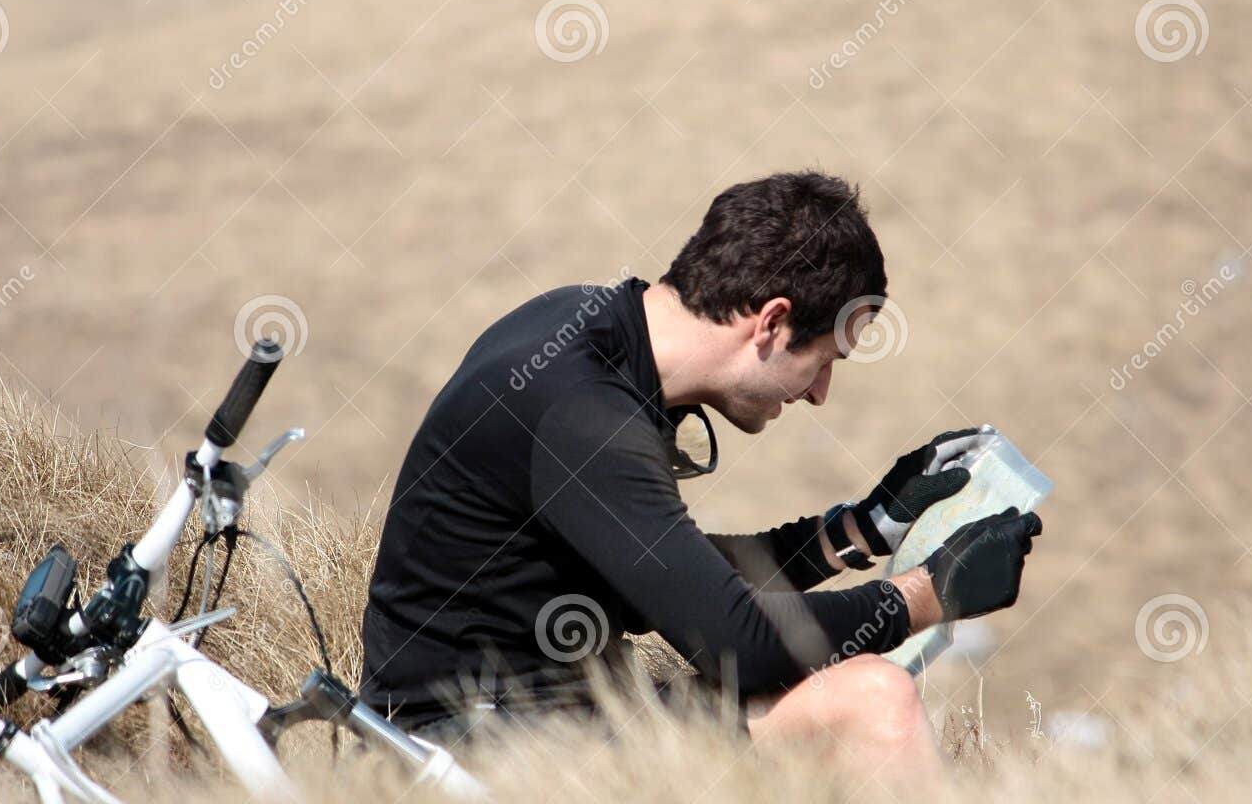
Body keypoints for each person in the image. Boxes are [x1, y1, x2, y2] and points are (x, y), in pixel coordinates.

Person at [358, 170, 1042, 773]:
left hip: (530, 711)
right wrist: (930, 593)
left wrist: (861, 529)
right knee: (872, 699)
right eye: (823, 360)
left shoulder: (587, 331)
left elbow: (670, 579)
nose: (819, 393)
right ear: (773, 322)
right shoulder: (582, 411)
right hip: (456, 746)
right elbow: (736, 641)